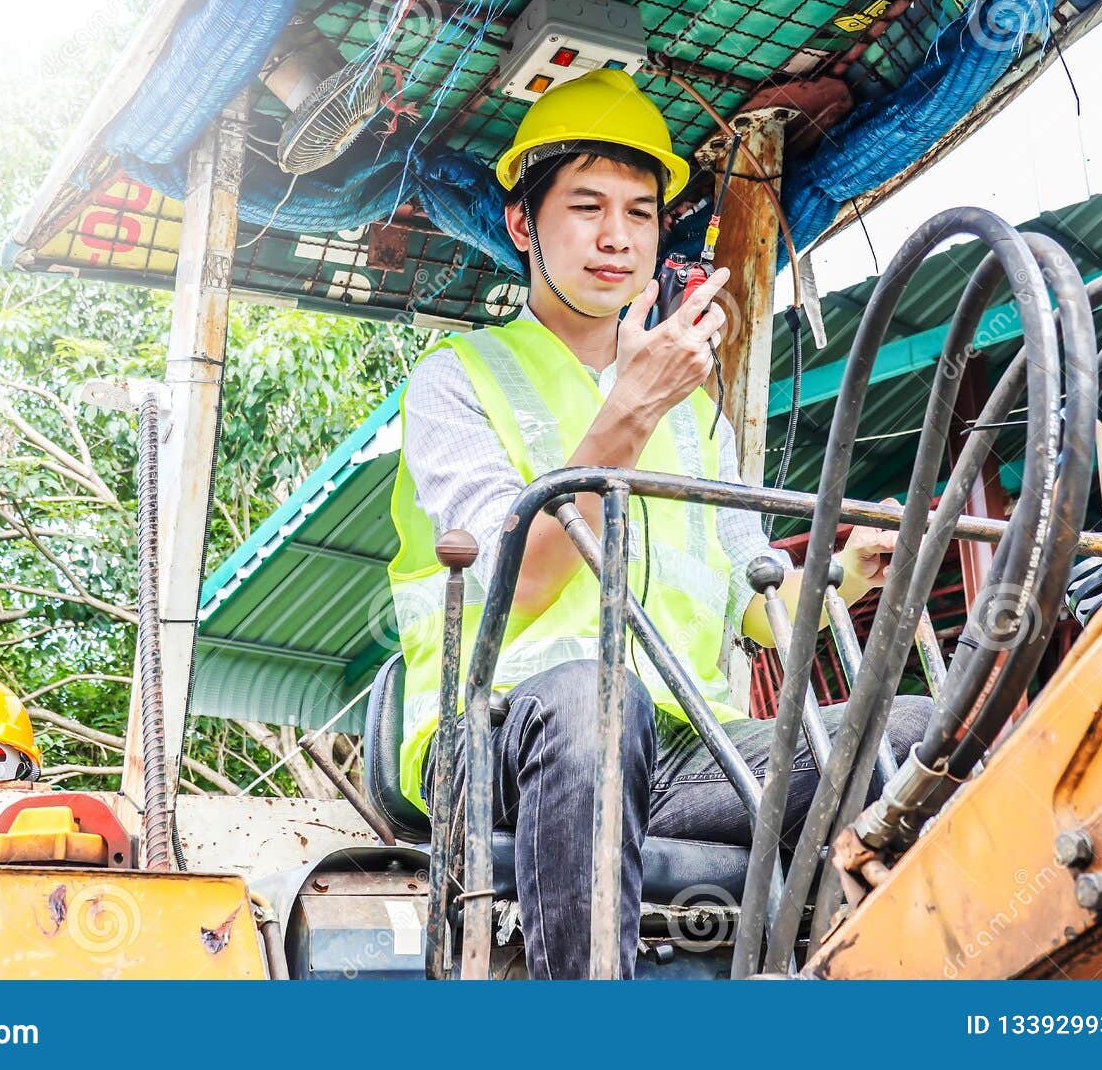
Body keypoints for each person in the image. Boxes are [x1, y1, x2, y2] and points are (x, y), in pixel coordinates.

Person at [386, 69, 932, 978]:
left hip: (677, 757)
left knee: (913, 728)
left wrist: (848, 573)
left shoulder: (694, 415)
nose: (617, 237)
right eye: (587, 206)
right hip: (494, 745)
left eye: (641, 213)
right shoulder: (457, 380)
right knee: (597, 697)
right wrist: (628, 412)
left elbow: (756, 602)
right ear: (523, 224)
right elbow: (517, 582)